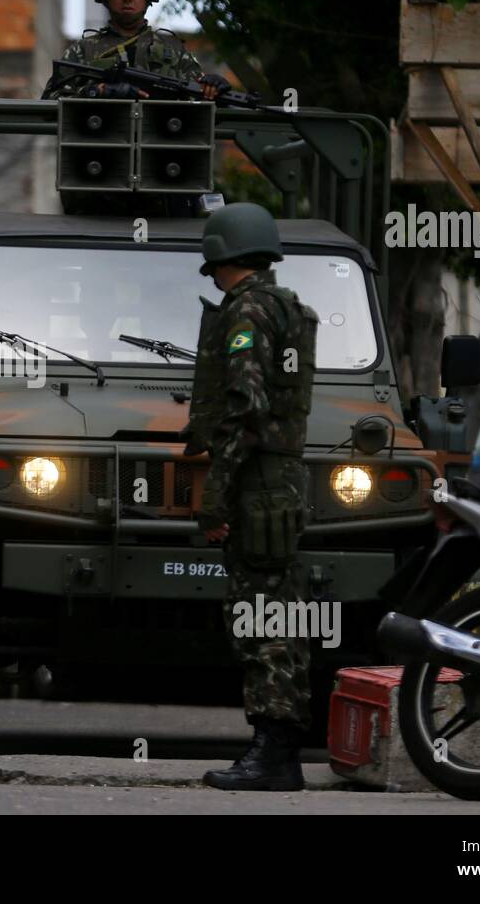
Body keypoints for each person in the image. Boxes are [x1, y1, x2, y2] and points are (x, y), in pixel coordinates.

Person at [183, 203, 319, 791]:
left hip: (257, 482)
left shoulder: (250, 312)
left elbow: (246, 408)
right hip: (277, 481)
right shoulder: (286, 305)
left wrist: (214, 497)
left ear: (223, 254)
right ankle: (278, 751)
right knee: (275, 611)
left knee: (261, 617)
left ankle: (273, 755)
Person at [42, 0, 231, 101]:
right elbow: (51, 102)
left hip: (160, 144)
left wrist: (213, 87)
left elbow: (199, 96)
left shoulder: (172, 51)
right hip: (101, 144)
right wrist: (96, 92)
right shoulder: (83, 50)